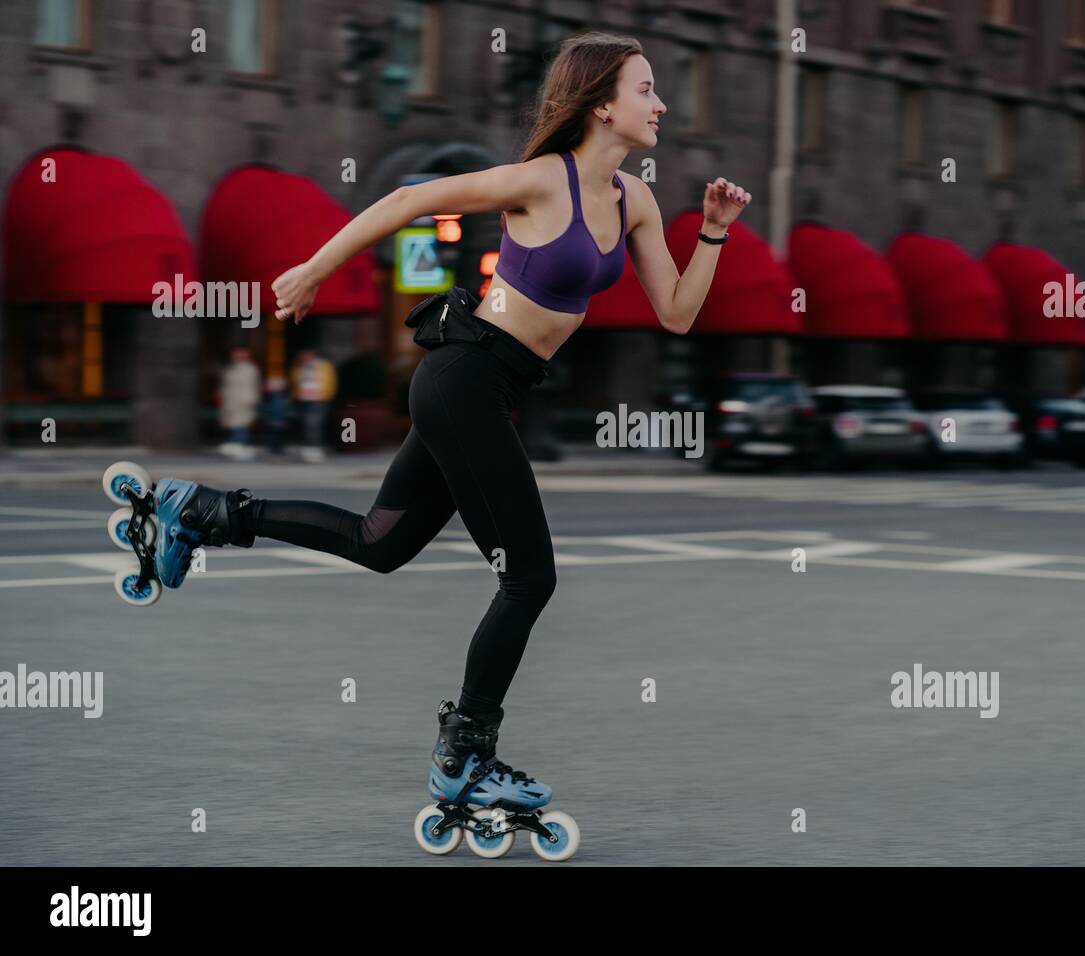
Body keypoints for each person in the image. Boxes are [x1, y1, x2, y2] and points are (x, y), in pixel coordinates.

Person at [142, 31, 751, 851]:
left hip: (487, 391)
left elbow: (677, 311)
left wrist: (712, 232)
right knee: (529, 576)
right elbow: (407, 203)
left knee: (381, 542)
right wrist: (315, 270)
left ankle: (204, 513)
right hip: (463, 378)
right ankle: (468, 752)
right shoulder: (541, 180)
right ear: (603, 102)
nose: (662, 103)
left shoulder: (636, 201)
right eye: (647, 89)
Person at [291, 349, 336, 462]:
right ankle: (306, 448)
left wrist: (327, 396)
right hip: (303, 399)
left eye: (305, 355)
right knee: (305, 424)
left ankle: (314, 448)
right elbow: (295, 381)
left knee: (314, 424)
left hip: (318, 399)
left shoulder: (324, 366)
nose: (304, 358)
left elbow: (330, 381)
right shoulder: (299, 367)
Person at [218, 347, 260, 461]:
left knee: (242, 424)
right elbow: (224, 385)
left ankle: (239, 445)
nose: (237, 356)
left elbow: (253, 385)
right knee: (233, 423)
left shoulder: (250, 369)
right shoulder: (229, 368)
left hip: (244, 400)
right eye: (235, 354)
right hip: (230, 400)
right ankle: (235, 445)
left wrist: (252, 399)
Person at [260, 376, 290, 457]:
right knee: (271, 436)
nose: (274, 387)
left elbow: (286, 409)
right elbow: (264, 408)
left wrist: (284, 418)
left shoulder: (283, 398)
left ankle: (278, 449)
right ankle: (272, 449)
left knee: (279, 436)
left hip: (279, 421)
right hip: (271, 420)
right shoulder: (267, 398)